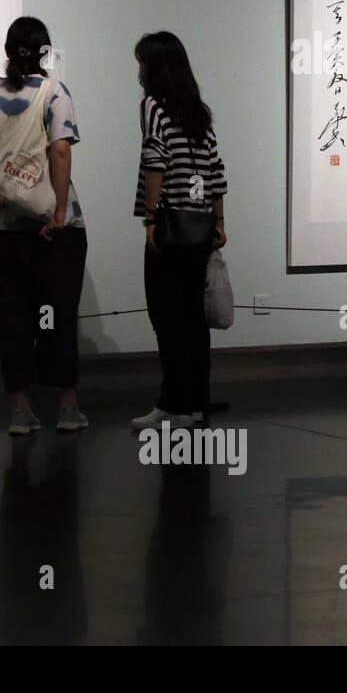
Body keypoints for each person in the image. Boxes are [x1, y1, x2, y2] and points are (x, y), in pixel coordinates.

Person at [0, 16, 88, 435]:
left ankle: (20, 411)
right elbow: (61, 151)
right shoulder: (54, 92)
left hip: (0, 227)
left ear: (9, 51)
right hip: (54, 228)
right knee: (58, 313)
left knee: (10, 317)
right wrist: (60, 211)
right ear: (45, 52)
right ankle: (66, 407)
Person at [131, 31, 227, 430]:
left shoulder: (153, 106)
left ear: (154, 67)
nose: (138, 71)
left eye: (142, 63)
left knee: (166, 315)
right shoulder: (198, 112)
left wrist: (151, 217)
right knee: (191, 318)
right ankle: (190, 404)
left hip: (170, 225)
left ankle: (175, 405)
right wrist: (219, 220)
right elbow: (216, 169)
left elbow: (156, 158)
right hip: (200, 225)